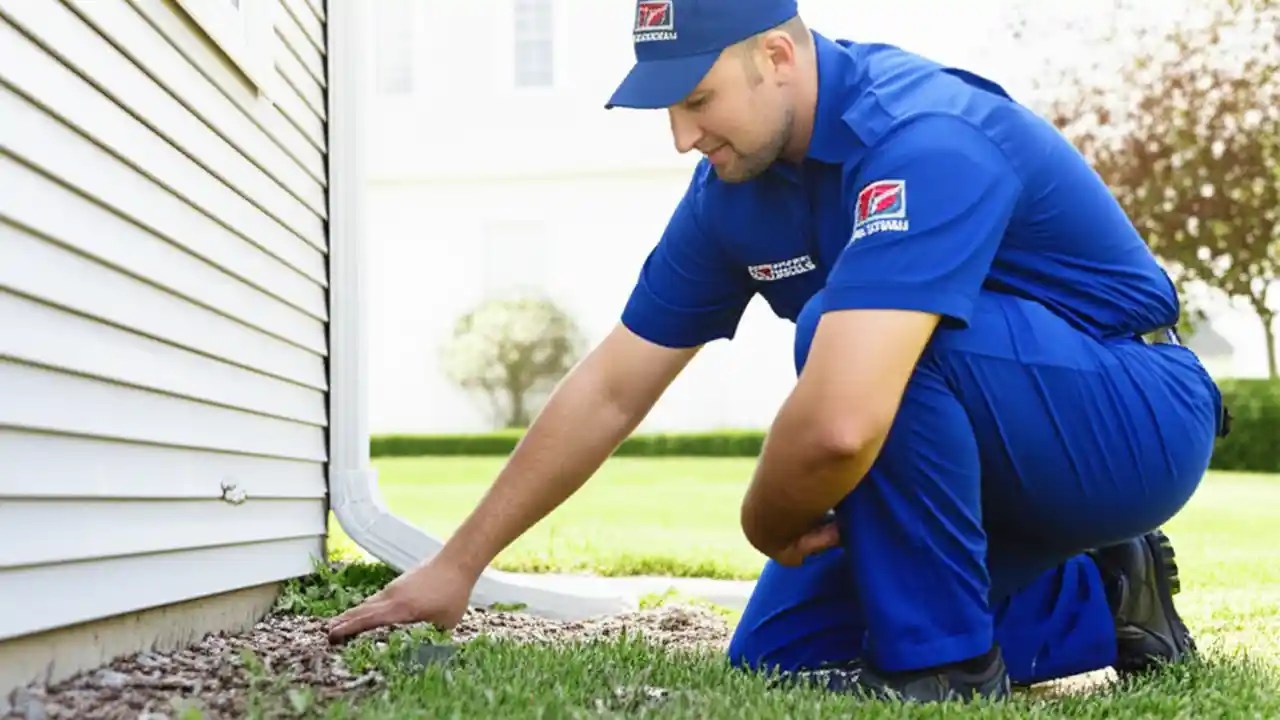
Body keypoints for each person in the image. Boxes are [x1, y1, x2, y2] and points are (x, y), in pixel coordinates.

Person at [326, 0, 1229, 703]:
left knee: (853, 332)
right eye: (667, 108)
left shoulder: (922, 137)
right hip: (981, 448)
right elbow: (611, 387)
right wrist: (458, 564)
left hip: (1131, 414)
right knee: (780, 654)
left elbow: (841, 424)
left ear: (777, 56)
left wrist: (764, 519)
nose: (682, 134)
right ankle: (1106, 592)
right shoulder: (730, 189)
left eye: (697, 98)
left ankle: (951, 667)